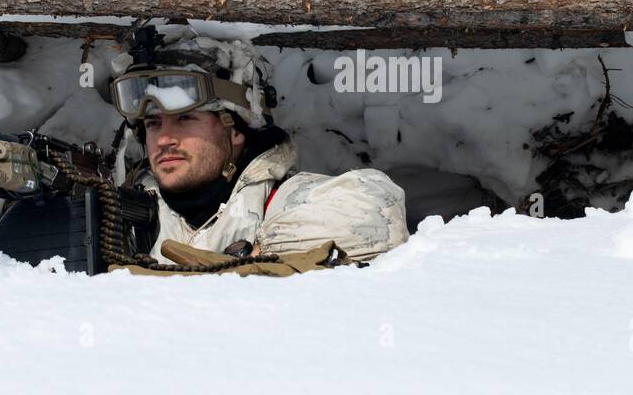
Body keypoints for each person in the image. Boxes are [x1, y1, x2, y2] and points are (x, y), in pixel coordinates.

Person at [108, 31, 408, 264]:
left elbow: (378, 211)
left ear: (236, 130)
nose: (163, 139)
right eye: (152, 124)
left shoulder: (277, 201)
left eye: (185, 119)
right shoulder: (123, 214)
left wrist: (258, 255)